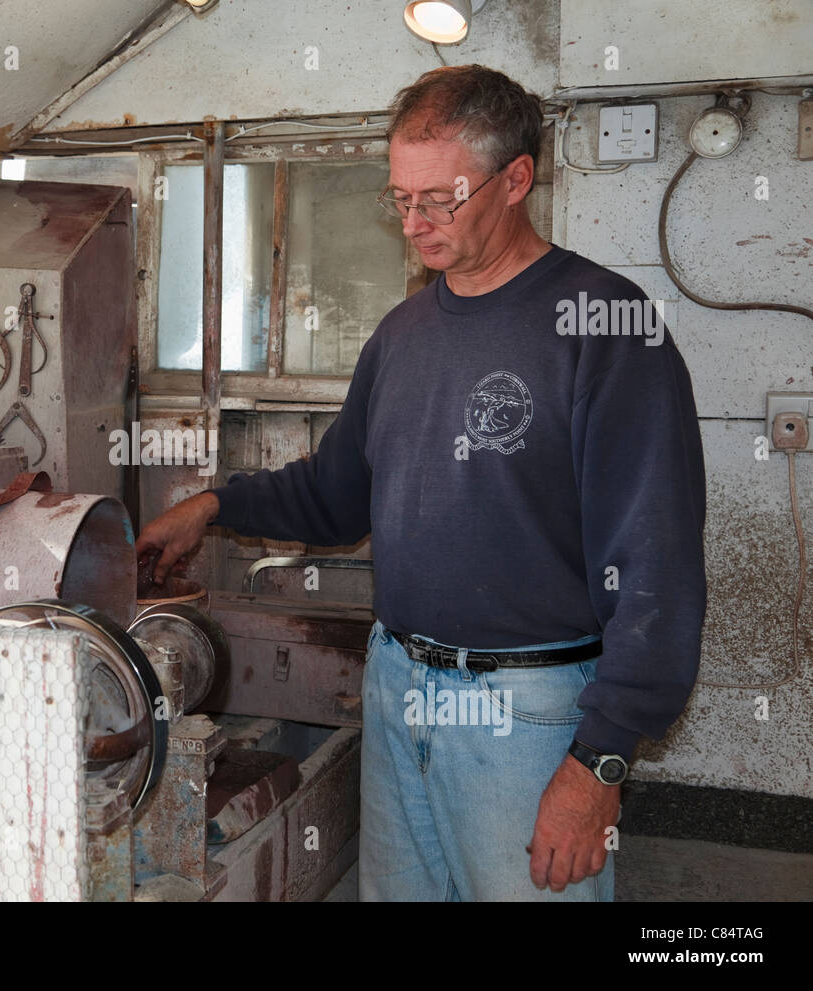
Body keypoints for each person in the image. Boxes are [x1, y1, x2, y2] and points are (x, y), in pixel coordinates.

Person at [135, 64, 706, 901]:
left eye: (442, 197)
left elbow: (656, 572)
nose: (415, 221)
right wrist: (214, 504)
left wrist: (599, 764)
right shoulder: (403, 334)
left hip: (529, 708)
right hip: (398, 683)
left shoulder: (605, 329)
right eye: (400, 197)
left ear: (517, 178)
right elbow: (336, 493)